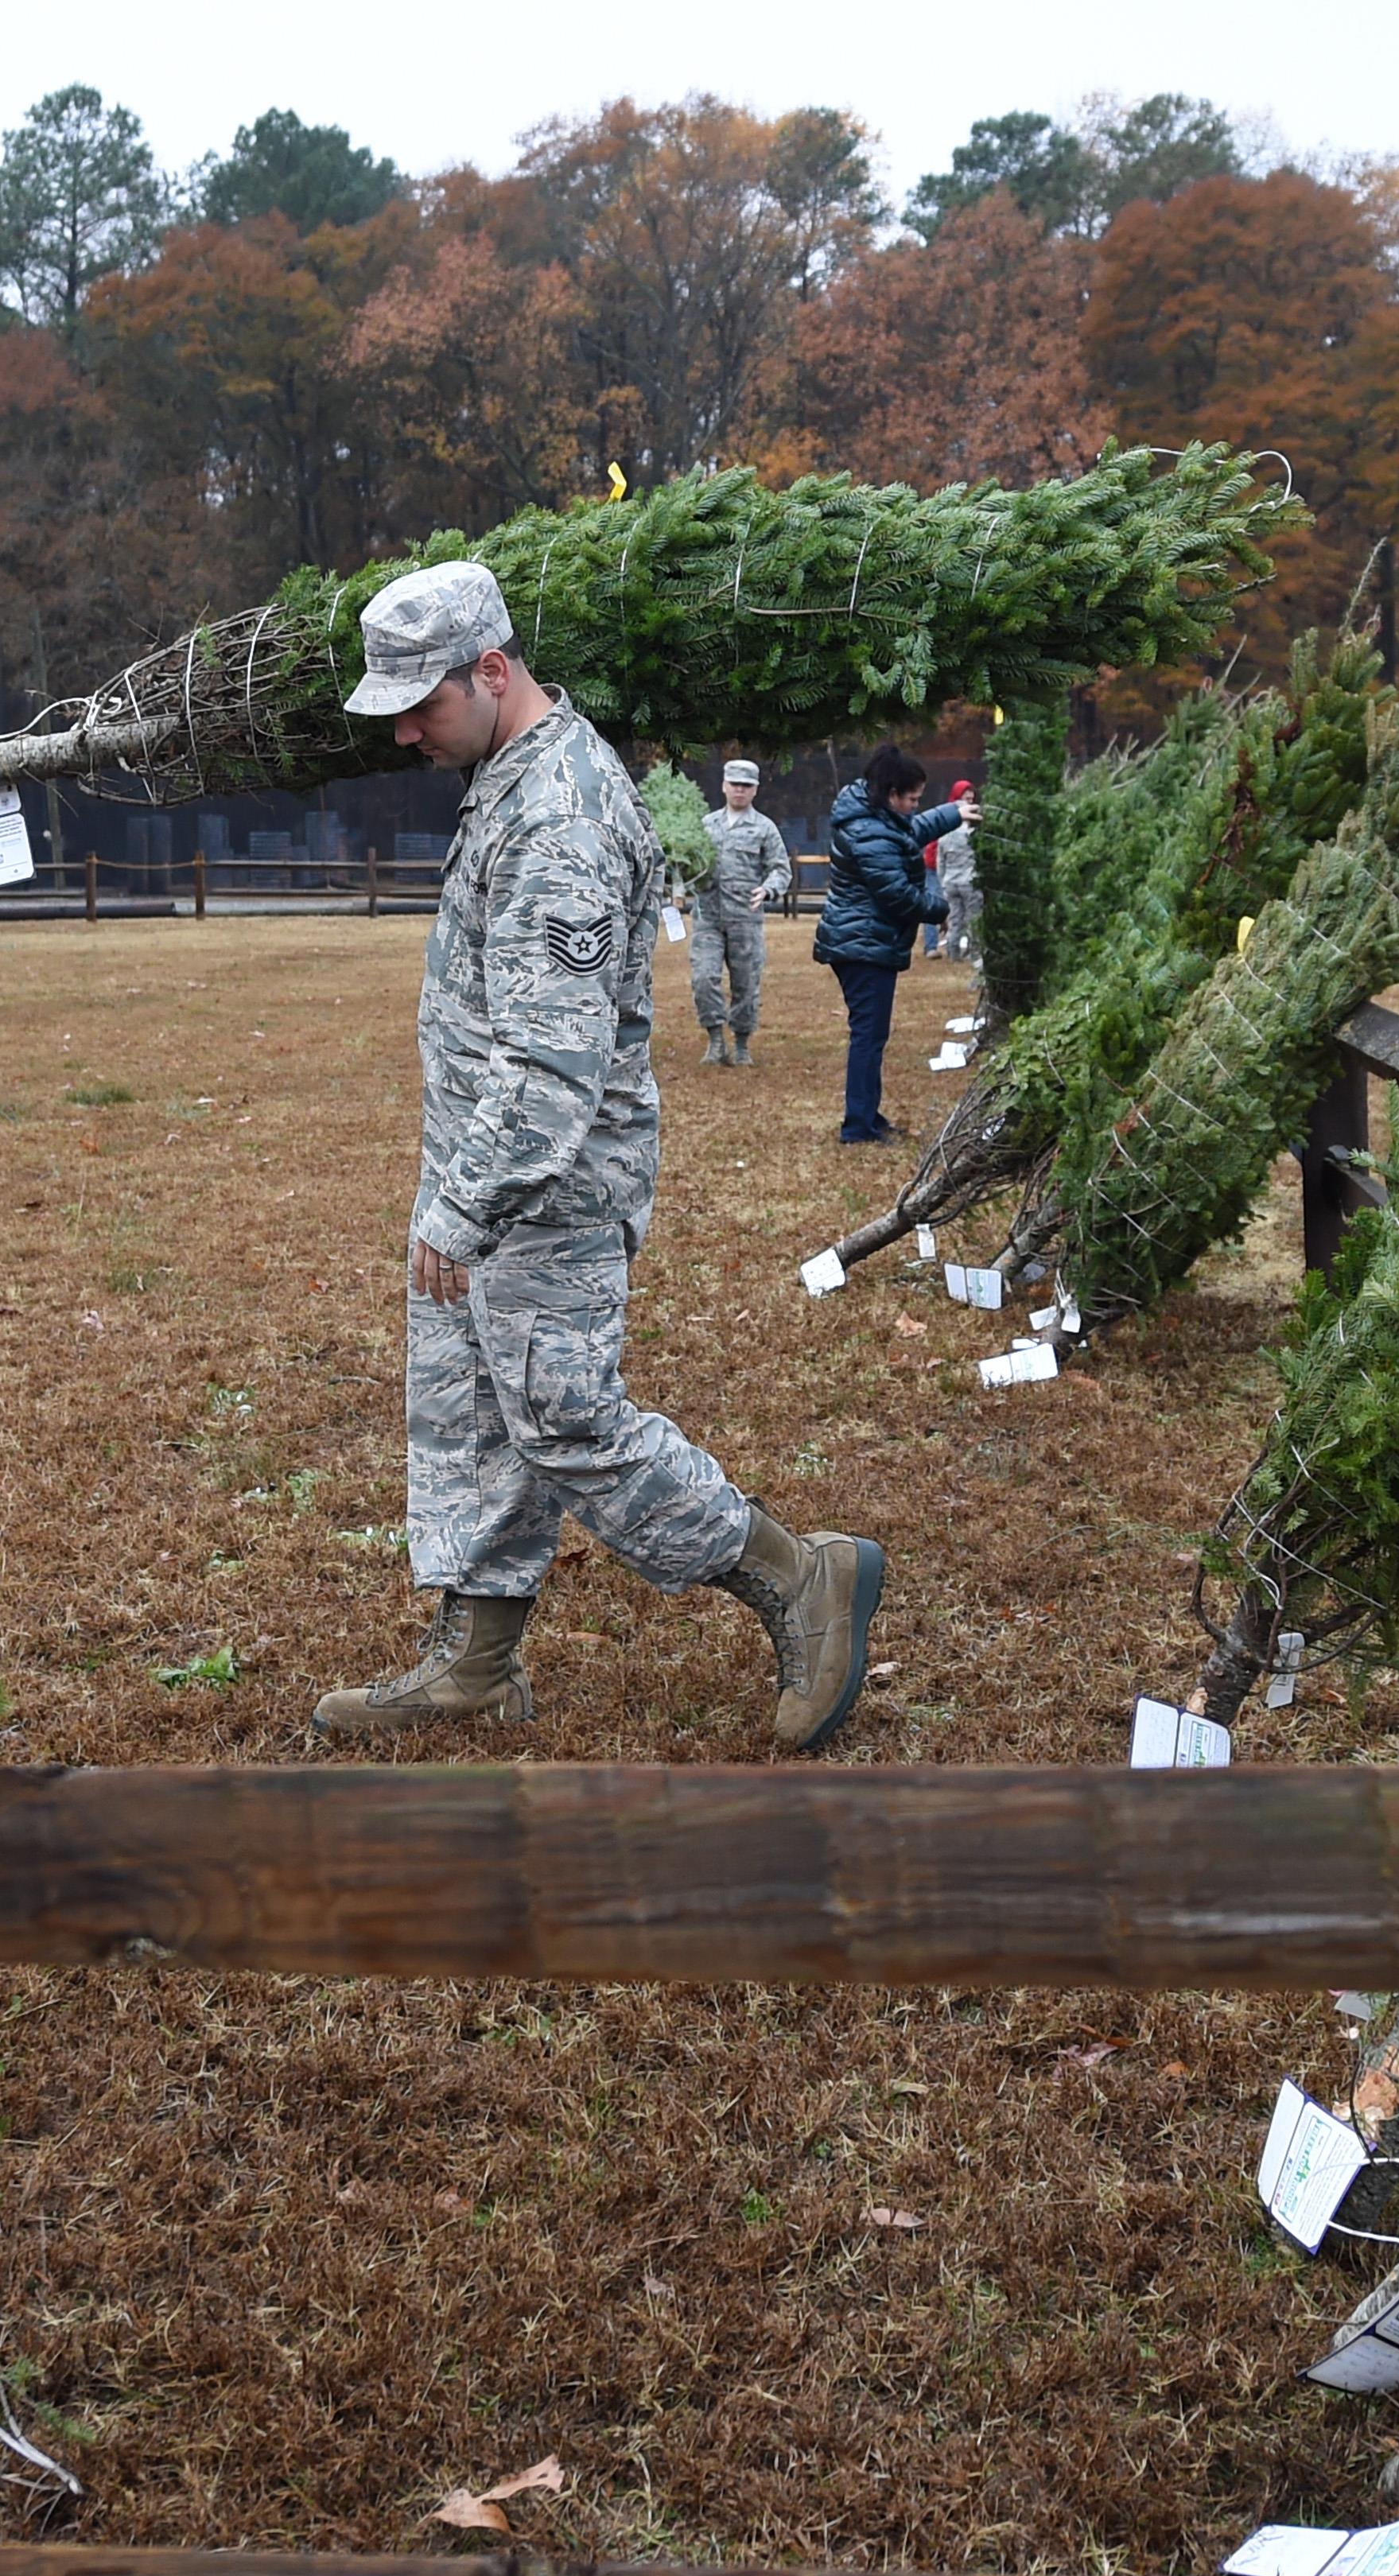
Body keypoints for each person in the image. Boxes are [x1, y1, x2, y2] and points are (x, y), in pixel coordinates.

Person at [313, 561, 886, 1751]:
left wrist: (465, 1204)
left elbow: (553, 1071)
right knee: (479, 1412)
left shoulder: (561, 819)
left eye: (422, 704)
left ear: (493, 669)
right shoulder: (508, 774)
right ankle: (476, 1662)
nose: (408, 732)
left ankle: (798, 1575)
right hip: (493, 1172)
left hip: (544, 1187)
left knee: (565, 1417)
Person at [811, 745, 972, 1144]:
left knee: (872, 1034)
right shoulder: (869, 832)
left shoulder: (874, 818)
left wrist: (955, 814)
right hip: (861, 945)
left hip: (867, 941)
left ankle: (866, 1115)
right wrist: (942, 910)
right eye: (913, 799)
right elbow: (896, 894)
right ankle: (858, 1127)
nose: (916, 807)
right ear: (891, 793)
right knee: (867, 1036)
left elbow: (910, 831)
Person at [690, 758, 790, 1064]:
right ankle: (716, 1041)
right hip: (708, 916)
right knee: (704, 979)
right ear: (724, 786)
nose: (739, 791)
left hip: (745, 919)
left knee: (746, 985)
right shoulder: (706, 826)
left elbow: (780, 869)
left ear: (755, 790)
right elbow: (688, 862)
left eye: (746, 786)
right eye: (735, 784)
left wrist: (768, 889)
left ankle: (742, 1044)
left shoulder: (764, 829)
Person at [926, 779, 980, 962]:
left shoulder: (945, 833)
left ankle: (953, 953)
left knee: (955, 918)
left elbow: (940, 861)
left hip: (950, 882)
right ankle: (974, 955)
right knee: (973, 920)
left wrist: (943, 881)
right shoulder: (973, 834)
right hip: (969, 881)